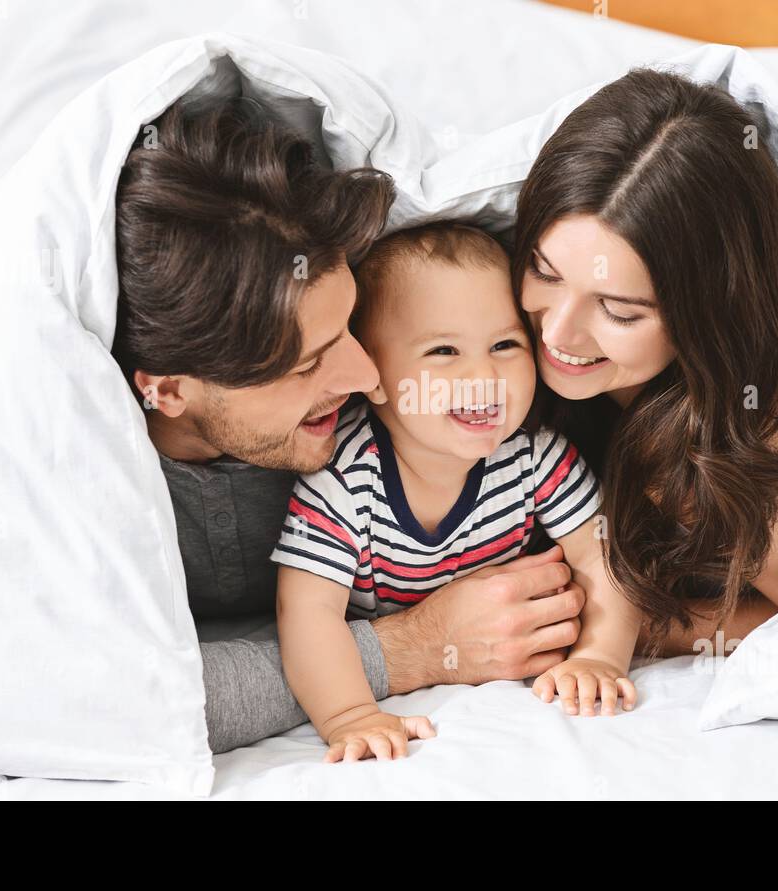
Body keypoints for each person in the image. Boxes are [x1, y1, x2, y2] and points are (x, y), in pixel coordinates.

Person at [110, 95, 587, 753]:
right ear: (167, 389)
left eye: (349, 328)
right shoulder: (88, 481)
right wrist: (418, 646)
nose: (367, 378)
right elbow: (115, 701)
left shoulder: (407, 422)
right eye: (309, 363)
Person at [511, 67, 778, 658]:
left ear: (702, 317)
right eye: (544, 272)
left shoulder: (736, 465)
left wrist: (604, 624)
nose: (556, 331)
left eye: (620, 311)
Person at [269, 222, 641, 762]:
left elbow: (604, 556)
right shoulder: (345, 482)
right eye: (444, 350)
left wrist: (600, 657)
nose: (482, 374)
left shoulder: (533, 454)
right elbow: (306, 614)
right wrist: (350, 714)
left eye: (505, 344)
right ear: (372, 375)